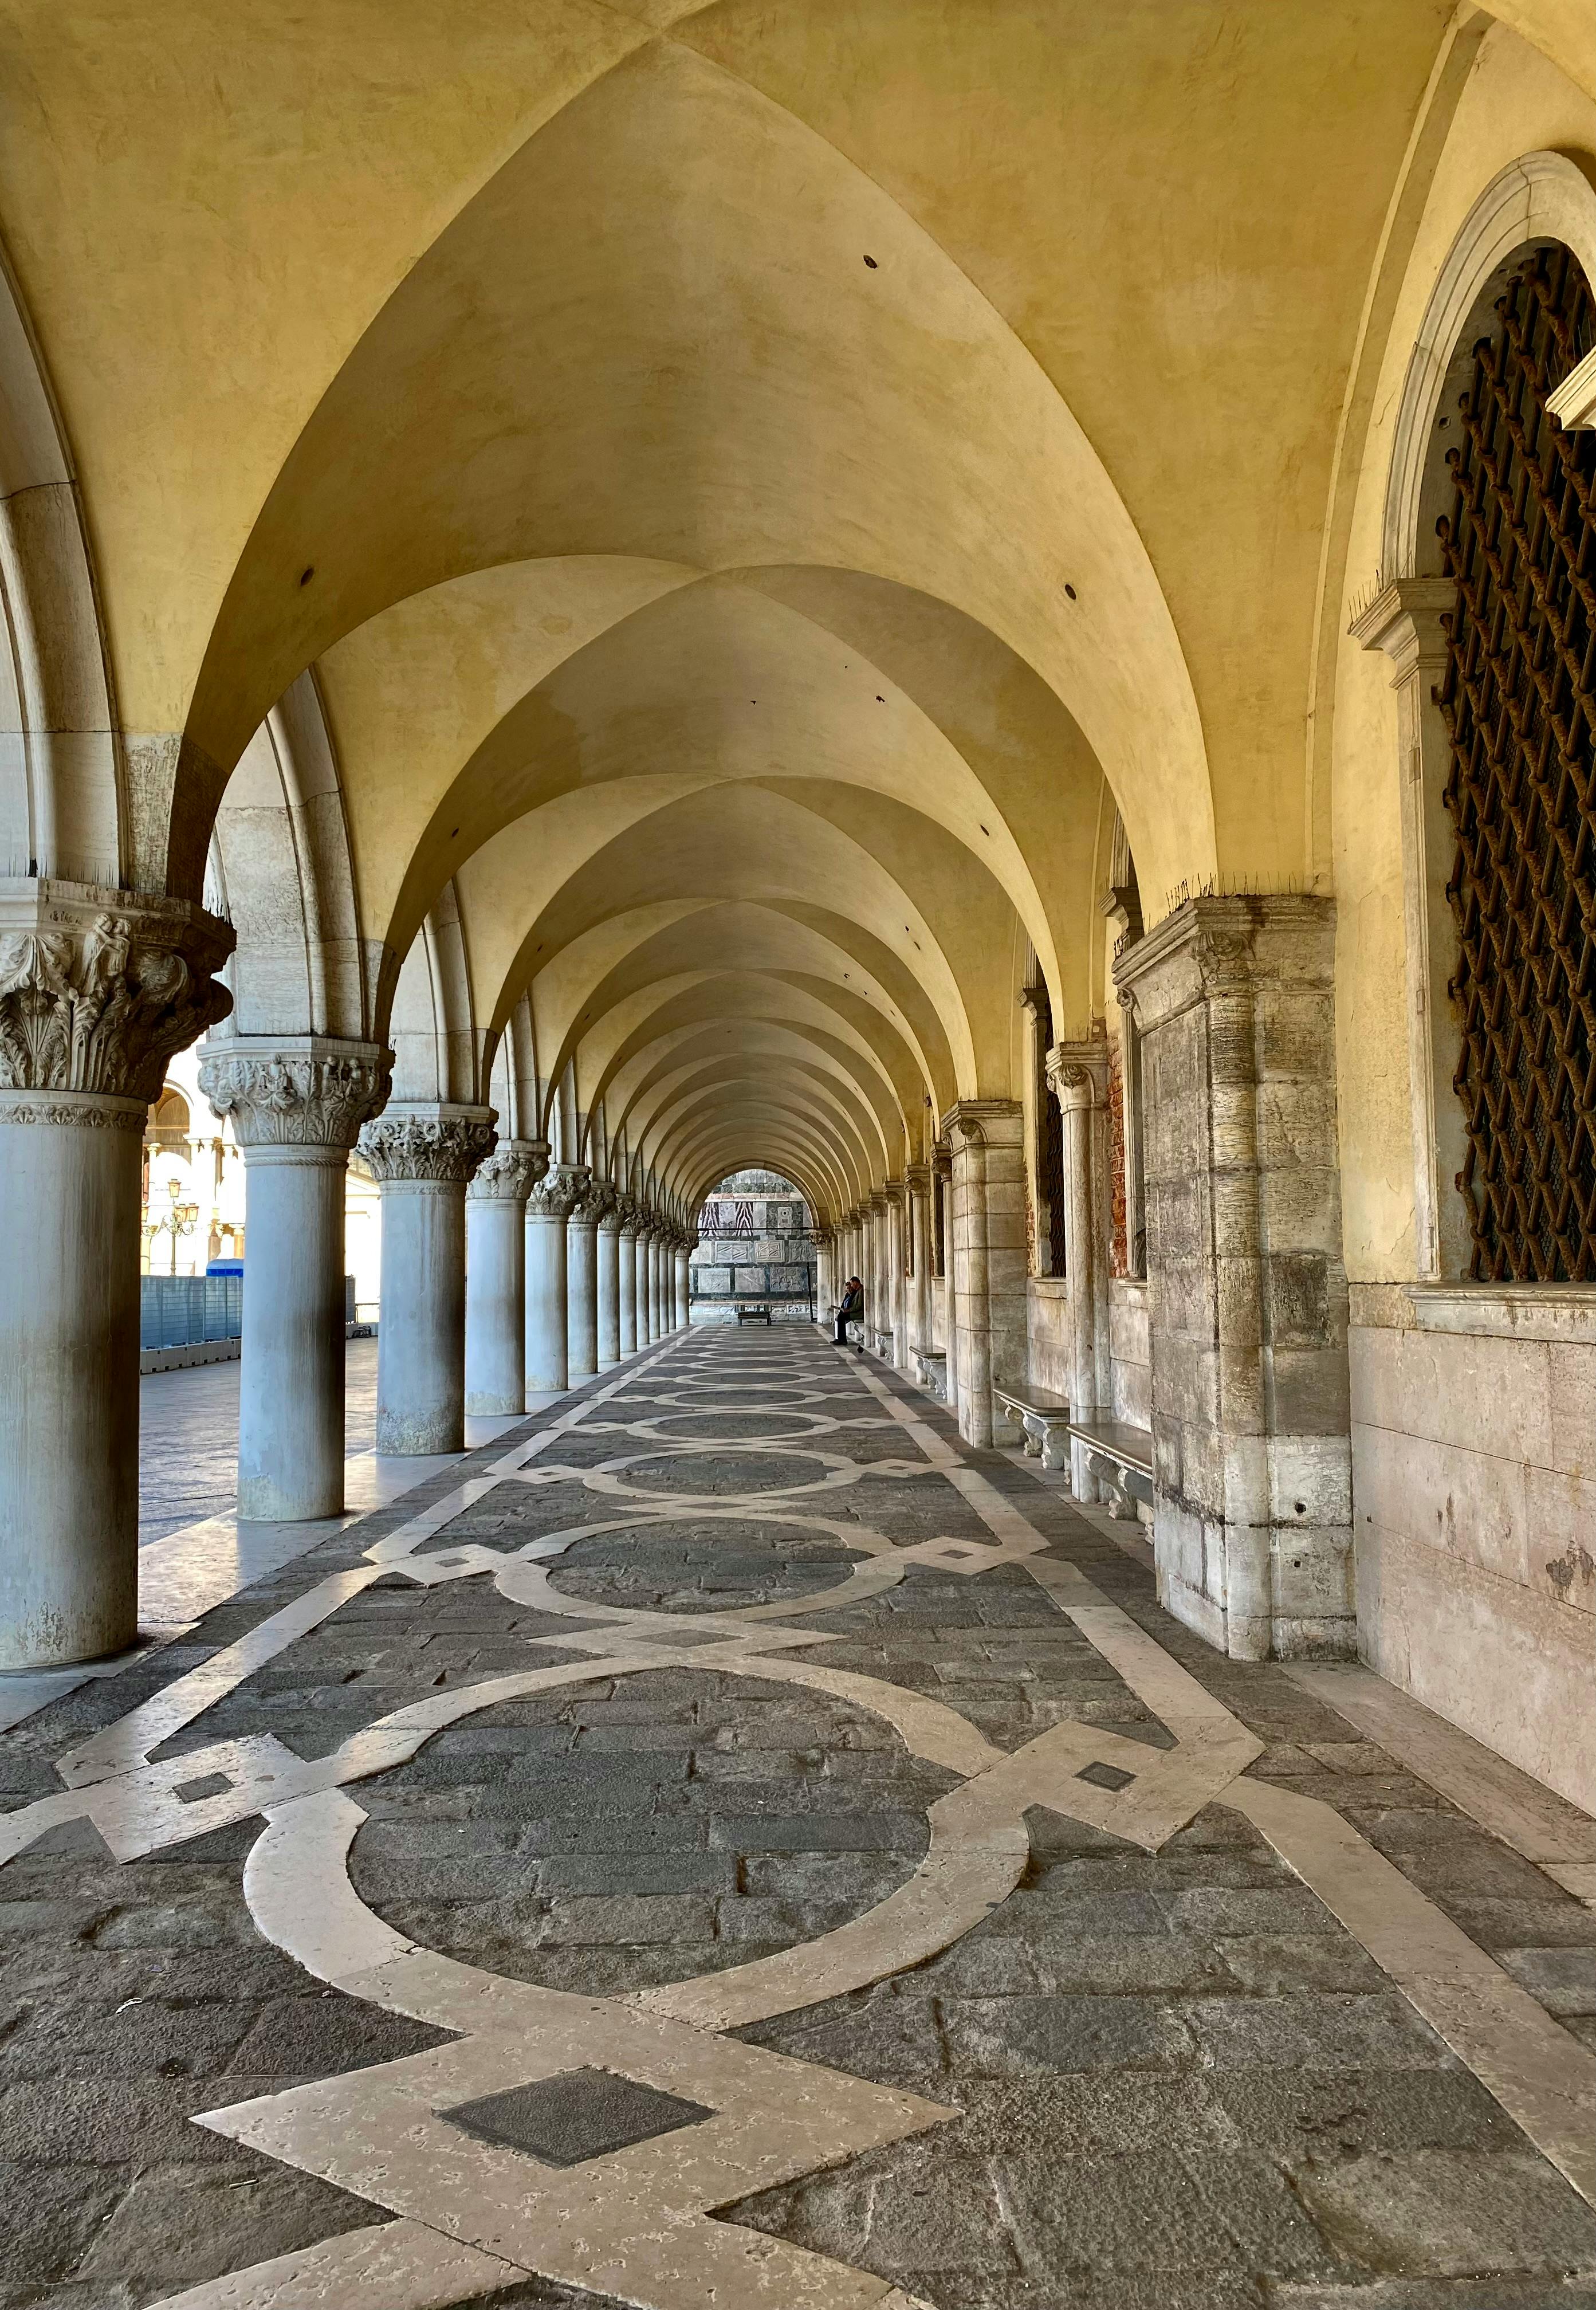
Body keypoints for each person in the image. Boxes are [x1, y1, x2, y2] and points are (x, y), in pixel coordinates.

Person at [834, 1275, 865, 1350]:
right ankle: (840, 1339)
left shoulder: (861, 1290)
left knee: (841, 1317)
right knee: (841, 1316)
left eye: (852, 1284)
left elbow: (859, 1306)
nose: (851, 1286)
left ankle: (842, 1340)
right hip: (854, 1312)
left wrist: (849, 1310)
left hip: (858, 1314)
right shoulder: (858, 1290)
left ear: (856, 1282)